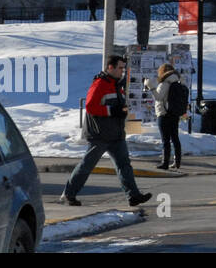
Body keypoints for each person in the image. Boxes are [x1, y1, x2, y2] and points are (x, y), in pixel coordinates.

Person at [60, 56, 152, 207]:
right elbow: (90, 107)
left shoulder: (117, 86)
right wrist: (113, 111)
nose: (122, 71)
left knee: (124, 165)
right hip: (100, 134)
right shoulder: (100, 84)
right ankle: (69, 194)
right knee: (87, 165)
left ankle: (133, 196)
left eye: (123, 68)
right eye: (120, 68)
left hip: (116, 134)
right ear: (111, 67)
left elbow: (118, 107)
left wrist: (122, 110)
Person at [143, 63, 187, 169]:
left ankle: (165, 162)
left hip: (164, 113)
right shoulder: (179, 82)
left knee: (165, 140)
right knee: (175, 138)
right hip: (175, 113)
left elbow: (158, 97)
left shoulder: (165, 83)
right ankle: (177, 162)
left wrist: (150, 86)